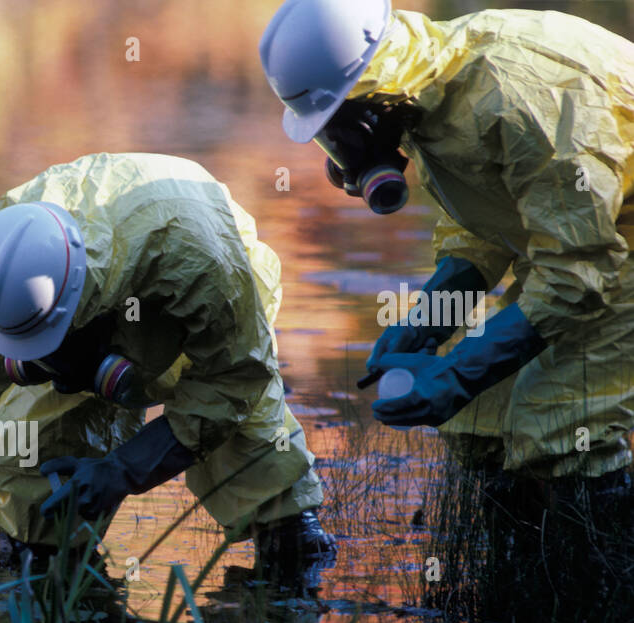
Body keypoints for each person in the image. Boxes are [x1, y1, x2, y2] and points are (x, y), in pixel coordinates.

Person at [0, 152, 335, 598]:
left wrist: (124, 470)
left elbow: (232, 380)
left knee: (257, 461)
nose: (59, 380)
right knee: (37, 493)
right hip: (102, 299)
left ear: (81, 305)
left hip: (196, 289)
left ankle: (286, 584)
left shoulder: (204, 264)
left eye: (50, 347)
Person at [260, 0, 634, 501]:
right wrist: (429, 320)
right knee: (479, 419)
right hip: (582, 242)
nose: (344, 157)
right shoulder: (424, 97)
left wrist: (457, 373)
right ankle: (510, 569)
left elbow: (577, 270)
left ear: (371, 101)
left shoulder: (517, 97)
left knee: (560, 426)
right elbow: (479, 228)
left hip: (605, 247)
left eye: (340, 131)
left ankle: (596, 571)